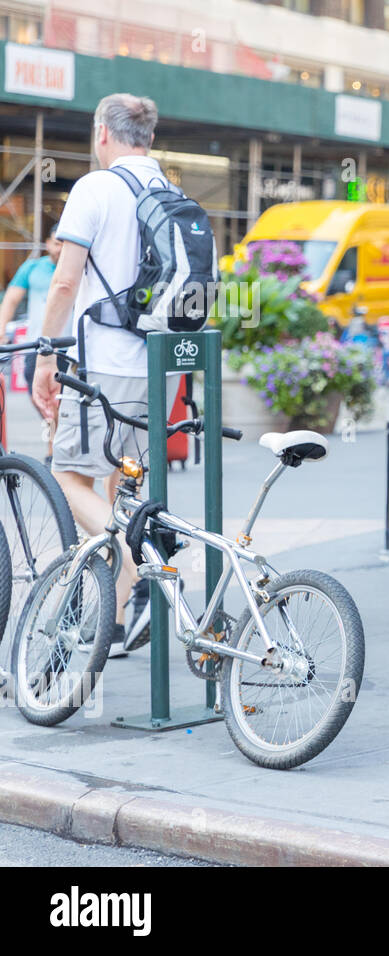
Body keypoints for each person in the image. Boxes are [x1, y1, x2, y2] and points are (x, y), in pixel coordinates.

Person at [31, 93, 182, 658]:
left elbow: (65, 283)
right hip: (160, 370)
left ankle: (136, 560)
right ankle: (111, 626)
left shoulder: (96, 189)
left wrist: (47, 358)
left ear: (102, 133)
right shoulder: (172, 192)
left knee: (69, 476)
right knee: (127, 491)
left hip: (106, 368)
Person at [0, 231, 71, 460]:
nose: (60, 249)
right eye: (57, 243)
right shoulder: (32, 268)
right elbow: (11, 299)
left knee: (59, 399)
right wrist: (1, 329)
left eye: (65, 244)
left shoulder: (77, 267)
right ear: (48, 243)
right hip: (36, 345)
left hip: (68, 347)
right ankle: (55, 435)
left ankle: (53, 445)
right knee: (37, 396)